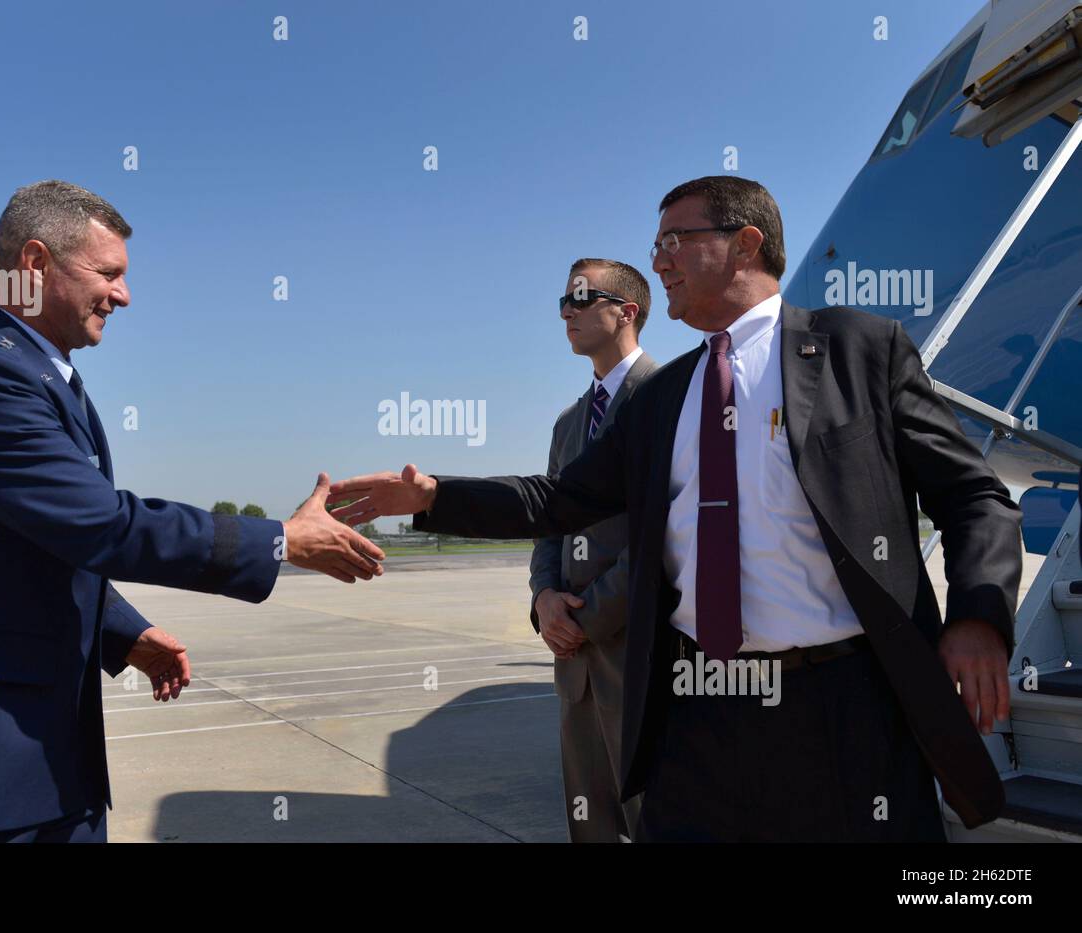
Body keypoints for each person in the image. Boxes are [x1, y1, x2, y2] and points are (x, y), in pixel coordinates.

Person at [327, 176, 1022, 842]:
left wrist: (977, 616)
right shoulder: (666, 397)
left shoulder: (859, 349)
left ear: (745, 244)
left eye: (673, 242)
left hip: (842, 709)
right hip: (695, 712)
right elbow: (559, 499)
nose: (657, 262)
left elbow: (973, 495)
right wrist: (434, 497)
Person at [0, 180, 383, 843]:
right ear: (35, 266)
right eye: (108, 273)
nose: (122, 295)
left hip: (36, 772)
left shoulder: (40, 378)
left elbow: (41, 542)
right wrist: (276, 541)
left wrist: (122, 632)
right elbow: (100, 523)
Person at [532, 258, 655, 842]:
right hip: (574, 663)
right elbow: (550, 524)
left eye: (580, 299)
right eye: (563, 302)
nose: (566, 312)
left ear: (625, 311)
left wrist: (592, 614)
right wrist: (545, 600)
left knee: (659, 820)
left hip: (641, 656)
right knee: (590, 826)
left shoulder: (667, 398)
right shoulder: (567, 424)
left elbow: (666, 531)